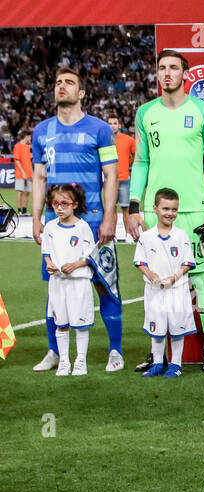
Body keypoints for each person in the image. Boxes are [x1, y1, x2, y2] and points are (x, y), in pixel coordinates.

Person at [127, 50, 204, 372]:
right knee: (155, 281)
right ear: (156, 74)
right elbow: (140, 162)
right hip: (155, 210)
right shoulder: (144, 113)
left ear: (186, 73)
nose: (166, 73)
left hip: (195, 209)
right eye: (161, 68)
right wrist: (134, 206)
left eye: (173, 68)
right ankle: (159, 353)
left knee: (200, 278)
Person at [29, 69, 122, 374]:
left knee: (106, 286)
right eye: (58, 83)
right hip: (56, 226)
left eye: (69, 83)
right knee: (56, 286)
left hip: (94, 220)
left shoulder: (99, 130)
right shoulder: (42, 131)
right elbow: (40, 177)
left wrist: (110, 217)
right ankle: (55, 352)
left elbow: (111, 176)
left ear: (81, 93)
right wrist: (36, 218)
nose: (62, 87)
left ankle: (115, 350)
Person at [133, 187, 197, 378]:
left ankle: (176, 365)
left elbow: (187, 263)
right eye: (166, 209)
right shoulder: (146, 237)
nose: (170, 213)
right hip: (155, 291)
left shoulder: (181, 235)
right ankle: (158, 363)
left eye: (174, 209)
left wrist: (174, 277)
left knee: (177, 329)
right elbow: (140, 262)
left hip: (177, 290)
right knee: (157, 329)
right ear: (155, 208)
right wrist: (151, 275)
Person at [40, 183, 95, 376]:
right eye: (55, 203)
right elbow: (46, 251)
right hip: (57, 283)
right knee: (60, 323)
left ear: (75, 204)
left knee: (80, 324)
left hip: (78, 283)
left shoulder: (83, 227)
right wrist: (49, 263)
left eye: (64, 203)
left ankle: (80, 361)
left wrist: (76, 264)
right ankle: (64, 361)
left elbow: (89, 255)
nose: (59, 207)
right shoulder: (49, 227)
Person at [106, 112, 135, 217]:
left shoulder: (128, 140)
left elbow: (136, 155)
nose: (112, 126)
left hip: (124, 179)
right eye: (110, 123)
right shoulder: (105, 140)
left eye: (115, 123)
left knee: (126, 209)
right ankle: (112, 234)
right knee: (111, 210)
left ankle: (127, 234)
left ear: (119, 125)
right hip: (110, 180)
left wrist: (129, 163)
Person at [12, 131, 32, 215]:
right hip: (20, 174)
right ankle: (19, 211)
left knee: (27, 192)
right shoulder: (17, 146)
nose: (30, 139)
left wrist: (31, 173)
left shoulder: (27, 147)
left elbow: (29, 161)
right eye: (30, 137)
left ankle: (24, 211)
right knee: (20, 191)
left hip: (28, 173)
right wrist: (23, 172)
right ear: (26, 137)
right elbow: (17, 161)